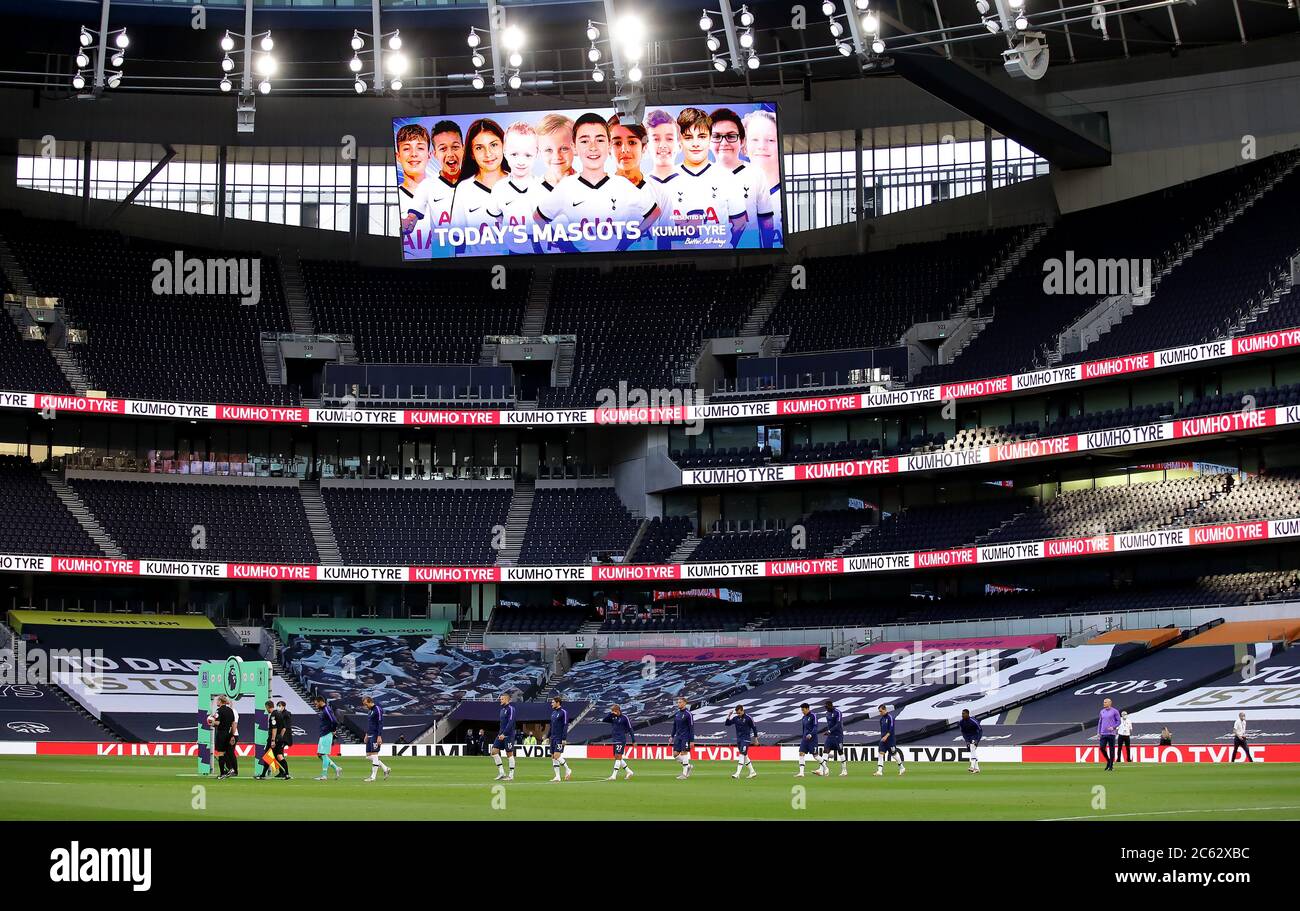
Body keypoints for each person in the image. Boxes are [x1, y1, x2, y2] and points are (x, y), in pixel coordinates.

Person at [533, 112, 660, 255]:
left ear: (609, 144)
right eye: (585, 141)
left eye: (599, 140)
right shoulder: (566, 187)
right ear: (574, 147)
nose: (593, 147)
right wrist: (564, 244)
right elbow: (538, 217)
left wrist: (628, 239)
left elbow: (654, 212)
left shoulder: (622, 185)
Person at [665, 107, 747, 249]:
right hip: (678, 262)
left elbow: (739, 224)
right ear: (679, 141)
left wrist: (726, 247)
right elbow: (661, 231)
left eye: (702, 136)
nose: (695, 143)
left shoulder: (727, 177)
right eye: (688, 137)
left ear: (710, 139)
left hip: (721, 261)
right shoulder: (667, 180)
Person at [709, 106, 775, 247]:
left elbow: (766, 221)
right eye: (716, 136)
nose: (724, 142)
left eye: (731, 136)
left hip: (748, 252)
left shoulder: (756, 173)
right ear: (707, 141)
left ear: (742, 141)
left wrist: (768, 253)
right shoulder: (701, 176)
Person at [489, 121, 548, 256]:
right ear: (504, 152)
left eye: (527, 155)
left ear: (536, 154)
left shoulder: (543, 190)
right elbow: (498, 220)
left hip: (540, 253)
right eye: (514, 154)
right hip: (511, 253)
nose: (521, 161)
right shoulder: (499, 189)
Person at [402, 119, 462, 242]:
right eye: (443, 149)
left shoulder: (476, 181)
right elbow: (412, 218)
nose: (450, 154)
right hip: (443, 255)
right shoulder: (427, 186)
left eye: (455, 147)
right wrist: (407, 223)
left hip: (477, 254)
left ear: (463, 149)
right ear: (435, 154)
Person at [741, 109, 781, 247]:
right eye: (755, 139)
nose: (762, 146)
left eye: (770, 140)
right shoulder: (731, 196)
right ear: (744, 147)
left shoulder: (789, 194)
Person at [535, 113, 576, 190]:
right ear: (539, 152)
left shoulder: (586, 185)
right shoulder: (534, 189)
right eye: (548, 150)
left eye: (564, 149)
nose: (556, 156)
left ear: (575, 148)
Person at [608, 114, 647, 187]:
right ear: (608, 149)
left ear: (644, 147)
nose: (625, 150)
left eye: (632, 142)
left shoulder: (657, 191)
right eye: (617, 143)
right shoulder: (601, 193)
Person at [602, 704, 636, 780]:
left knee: (618, 756)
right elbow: (604, 720)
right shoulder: (612, 717)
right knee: (617, 757)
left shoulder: (624, 718)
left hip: (621, 739)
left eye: (614, 711)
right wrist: (610, 714)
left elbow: (630, 729)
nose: (613, 712)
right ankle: (629, 771)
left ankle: (614, 776)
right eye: (612, 711)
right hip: (614, 739)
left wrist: (633, 740)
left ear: (618, 710)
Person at [725, 704, 759, 779]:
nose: (738, 715)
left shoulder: (748, 718)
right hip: (739, 740)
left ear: (742, 710)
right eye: (737, 713)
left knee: (741, 754)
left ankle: (737, 773)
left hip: (746, 739)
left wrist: (756, 738)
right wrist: (729, 715)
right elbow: (727, 723)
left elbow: (754, 728)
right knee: (745, 756)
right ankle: (752, 772)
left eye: (739, 713)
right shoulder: (736, 718)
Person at [361, 695, 391, 782]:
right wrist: (366, 734)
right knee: (368, 756)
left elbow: (380, 723)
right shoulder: (370, 711)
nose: (365, 706)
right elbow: (370, 724)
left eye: (366, 704)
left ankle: (373, 777)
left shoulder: (377, 709)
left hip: (375, 734)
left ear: (370, 701)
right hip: (370, 734)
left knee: (374, 755)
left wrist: (379, 736)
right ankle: (385, 768)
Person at [313, 695, 342, 780]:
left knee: (323, 754)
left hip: (327, 734)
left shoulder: (326, 710)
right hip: (323, 734)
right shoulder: (324, 710)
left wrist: (333, 730)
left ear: (320, 702)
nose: (316, 705)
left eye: (316, 703)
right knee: (319, 754)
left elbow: (334, 721)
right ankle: (336, 768)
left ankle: (324, 775)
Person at [211, 695, 238, 779]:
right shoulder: (230, 710)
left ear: (220, 701)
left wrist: (211, 722)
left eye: (217, 700)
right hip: (229, 733)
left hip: (221, 734)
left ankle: (222, 773)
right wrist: (232, 735)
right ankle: (232, 769)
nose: (216, 702)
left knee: (221, 754)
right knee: (229, 753)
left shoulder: (219, 710)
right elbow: (234, 724)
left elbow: (217, 723)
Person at [491, 692, 517, 781]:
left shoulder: (511, 709)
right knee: (494, 752)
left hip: (508, 735)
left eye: (502, 699)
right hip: (500, 734)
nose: (500, 700)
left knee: (509, 754)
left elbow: (511, 722)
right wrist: (500, 734)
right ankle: (502, 773)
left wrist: (504, 734)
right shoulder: (502, 710)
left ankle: (511, 775)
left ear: (506, 699)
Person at [874, 704, 905, 777]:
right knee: (880, 753)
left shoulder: (890, 718)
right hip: (883, 740)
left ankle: (902, 767)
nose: (880, 713)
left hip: (890, 740)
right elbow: (882, 730)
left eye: (881, 711)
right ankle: (879, 771)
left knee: (894, 755)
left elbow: (891, 728)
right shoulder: (881, 719)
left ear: (885, 710)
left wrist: (886, 736)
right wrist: (882, 737)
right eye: (879, 711)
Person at [819, 700, 847, 777]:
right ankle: (822, 770)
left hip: (838, 735)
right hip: (830, 736)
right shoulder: (827, 713)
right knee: (825, 750)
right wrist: (828, 731)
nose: (826, 708)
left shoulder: (838, 712)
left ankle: (844, 770)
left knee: (840, 751)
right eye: (825, 707)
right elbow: (829, 724)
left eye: (827, 707)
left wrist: (829, 731)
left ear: (831, 705)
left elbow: (838, 724)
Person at [670, 695, 694, 780]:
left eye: (680, 702)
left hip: (685, 737)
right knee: (675, 755)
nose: (678, 704)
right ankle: (688, 766)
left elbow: (691, 728)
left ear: (684, 703)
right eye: (678, 702)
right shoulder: (677, 714)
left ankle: (684, 774)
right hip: (678, 737)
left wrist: (692, 741)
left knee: (684, 753)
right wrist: (672, 736)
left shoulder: (688, 714)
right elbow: (674, 726)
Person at [549, 696, 572, 782]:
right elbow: (551, 726)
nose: (551, 704)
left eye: (553, 702)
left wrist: (564, 738)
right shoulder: (553, 713)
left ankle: (568, 769)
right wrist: (548, 736)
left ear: (558, 703)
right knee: (553, 757)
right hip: (553, 738)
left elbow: (565, 725)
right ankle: (557, 776)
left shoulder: (564, 712)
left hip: (559, 738)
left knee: (556, 756)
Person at [255, 698, 277, 780]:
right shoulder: (277, 713)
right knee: (274, 756)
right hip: (275, 738)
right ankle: (284, 773)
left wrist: (273, 740)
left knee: (268, 756)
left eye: (266, 707)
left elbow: (274, 728)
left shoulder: (273, 715)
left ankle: (285, 772)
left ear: (268, 707)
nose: (266, 709)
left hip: (272, 738)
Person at [1097, 698, 1121, 771]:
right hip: (1103, 733)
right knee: (1101, 748)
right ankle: (1108, 761)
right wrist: (1098, 732)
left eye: (1105, 702)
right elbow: (1100, 722)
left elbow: (1119, 721)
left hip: (1111, 733)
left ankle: (1111, 766)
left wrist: (1113, 727)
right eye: (1103, 702)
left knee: (1111, 750)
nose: (1104, 703)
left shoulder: (1115, 711)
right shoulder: (1102, 711)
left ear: (1110, 703)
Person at [796, 703, 818, 777]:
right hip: (805, 739)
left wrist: (811, 734)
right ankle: (801, 773)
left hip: (812, 739)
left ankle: (825, 767)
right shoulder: (803, 717)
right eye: (801, 710)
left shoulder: (813, 716)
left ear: (807, 708)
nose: (802, 711)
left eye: (803, 710)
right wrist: (803, 737)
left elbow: (815, 727)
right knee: (801, 753)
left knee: (815, 756)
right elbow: (804, 729)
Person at [959, 709, 982, 774]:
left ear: (967, 714)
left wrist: (977, 740)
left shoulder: (973, 721)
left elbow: (980, 730)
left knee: (972, 748)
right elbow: (963, 732)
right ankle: (977, 769)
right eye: (962, 713)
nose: (962, 715)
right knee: (973, 751)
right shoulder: (961, 722)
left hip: (975, 736)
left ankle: (972, 766)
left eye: (964, 714)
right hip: (968, 738)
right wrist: (966, 741)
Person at [273, 699, 293, 779]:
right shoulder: (279, 713)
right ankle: (282, 771)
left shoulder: (286, 714)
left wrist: (280, 737)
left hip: (284, 738)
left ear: (284, 706)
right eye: (278, 705)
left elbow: (285, 728)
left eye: (280, 706)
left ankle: (286, 773)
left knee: (279, 755)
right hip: (280, 737)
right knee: (276, 755)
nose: (278, 707)